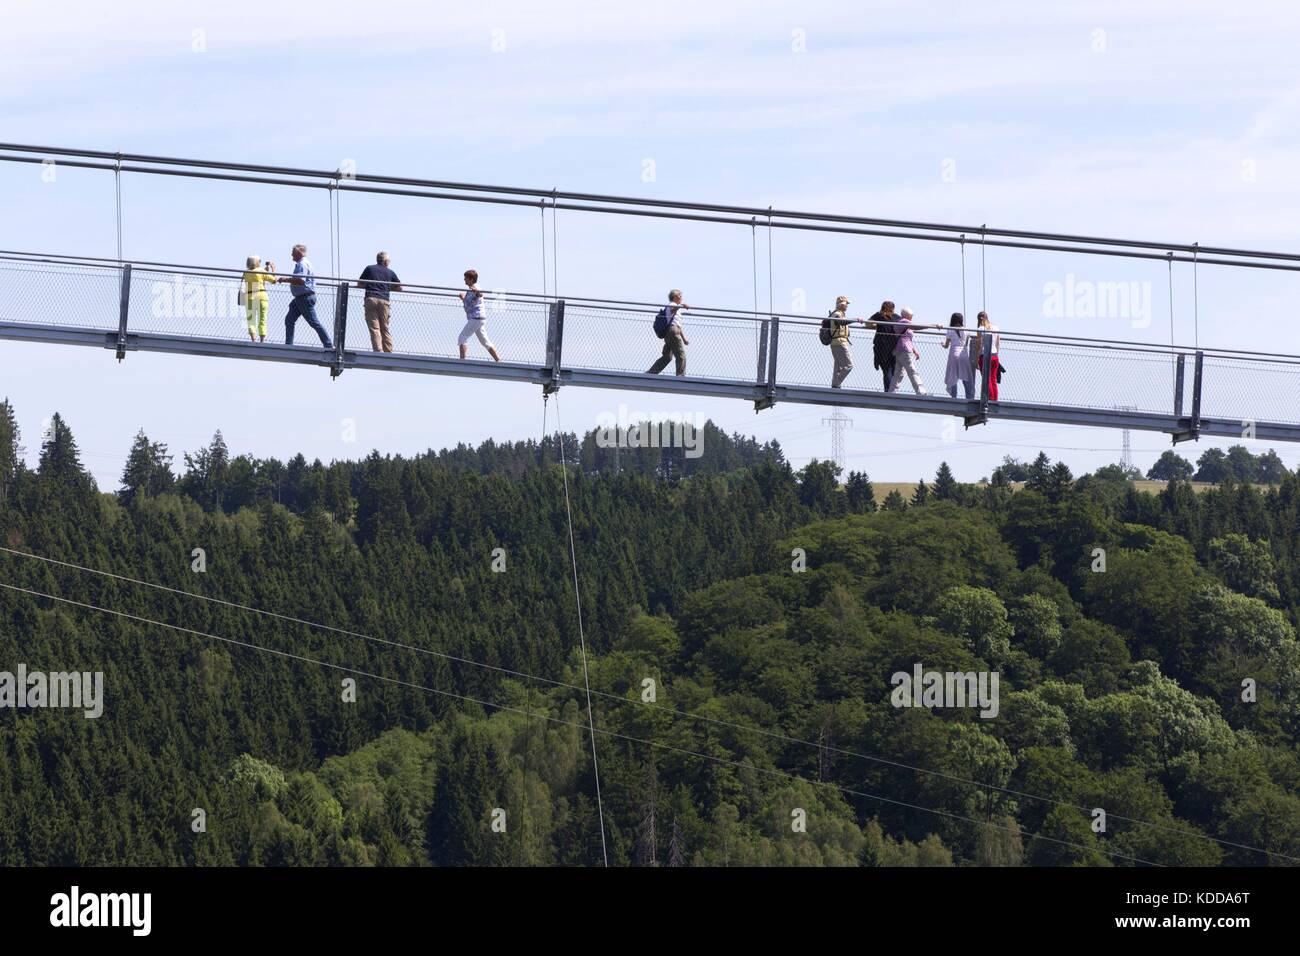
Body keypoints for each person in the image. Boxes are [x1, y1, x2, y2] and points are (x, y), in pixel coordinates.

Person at [277, 244, 332, 348]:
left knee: (313, 322)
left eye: (293, 252)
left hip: (304, 297)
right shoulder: (304, 263)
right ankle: (288, 344)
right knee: (289, 319)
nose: (291, 254)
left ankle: (328, 344)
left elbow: (300, 280)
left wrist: (285, 279)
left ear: (299, 253)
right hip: (300, 298)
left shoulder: (302, 264)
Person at [358, 251, 402, 353]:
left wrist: (369, 285)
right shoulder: (390, 272)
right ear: (386, 262)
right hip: (384, 300)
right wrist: (387, 288)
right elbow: (400, 288)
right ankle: (388, 351)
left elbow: (360, 283)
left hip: (371, 298)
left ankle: (378, 350)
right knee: (385, 327)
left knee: (374, 328)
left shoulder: (369, 268)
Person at [457, 269, 502, 361]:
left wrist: (476, 292)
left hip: (476, 318)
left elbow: (480, 294)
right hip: (478, 318)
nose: (464, 280)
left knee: (462, 337)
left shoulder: (476, 287)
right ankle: (499, 361)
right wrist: (463, 298)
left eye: (465, 278)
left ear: (471, 279)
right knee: (485, 341)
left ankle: (462, 361)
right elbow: (470, 303)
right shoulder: (470, 290)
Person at [647, 289, 690, 376]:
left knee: (667, 357)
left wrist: (684, 339)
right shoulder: (672, 304)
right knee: (681, 355)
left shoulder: (677, 308)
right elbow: (672, 310)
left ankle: (651, 373)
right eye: (680, 296)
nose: (681, 298)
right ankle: (680, 376)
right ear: (675, 296)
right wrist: (681, 305)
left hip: (672, 332)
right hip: (672, 332)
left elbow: (678, 326)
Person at [827, 295, 865, 388]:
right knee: (849, 365)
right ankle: (836, 384)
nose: (847, 306)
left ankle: (835, 385)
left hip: (837, 342)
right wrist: (856, 319)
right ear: (840, 304)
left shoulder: (839, 313)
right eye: (845, 304)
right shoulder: (837, 314)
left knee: (838, 366)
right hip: (839, 342)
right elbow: (841, 322)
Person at [887, 306, 927, 394]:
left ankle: (891, 391)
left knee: (898, 373)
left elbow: (906, 338)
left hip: (900, 349)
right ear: (907, 315)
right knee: (912, 370)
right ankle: (921, 392)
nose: (912, 318)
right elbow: (916, 327)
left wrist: (914, 350)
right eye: (911, 316)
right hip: (904, 350)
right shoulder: (905, 321)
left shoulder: (901, 322)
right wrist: (931, 326)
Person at [241, 255, 276, 343]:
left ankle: (253, 340)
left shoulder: (246, 273)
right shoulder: (261, 271)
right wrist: (273, 269)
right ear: (257, 262)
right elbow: (273, 280)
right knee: (262, 320)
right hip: (261, 297)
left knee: (251, 320)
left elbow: (255, 275)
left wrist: (264, 270)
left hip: (250, 297)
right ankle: (262, 341)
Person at [867, 300, 900, 390]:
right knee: (892, 370)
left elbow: (868, 323)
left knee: (887, 370)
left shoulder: (879, 315)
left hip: (881, 347)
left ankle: (888, 390)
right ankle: (891, 390)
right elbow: (906, 325)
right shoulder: (896, 317)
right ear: (892, 308)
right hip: (893, 347)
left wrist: (876, 325)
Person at [942, 312, 976, 399]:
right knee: (966, 377)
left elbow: (946, 345)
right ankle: (969, 397)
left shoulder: (950, 329)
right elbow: (966, 343)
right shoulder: (966, 330)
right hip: (963, 354)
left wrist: (942, 344)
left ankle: (954, 397)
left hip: (953, 354)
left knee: (953, 376)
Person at [976, 311, 1001, 401]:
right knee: (993, 378)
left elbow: (979, 345)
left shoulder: (980, 329)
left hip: (985, 356)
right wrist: (996, 354)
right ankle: (994, 399)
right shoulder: (996, 327)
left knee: (986, 379)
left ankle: (989, 399)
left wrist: (977, 358)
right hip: (995, 356)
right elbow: (998, 343)